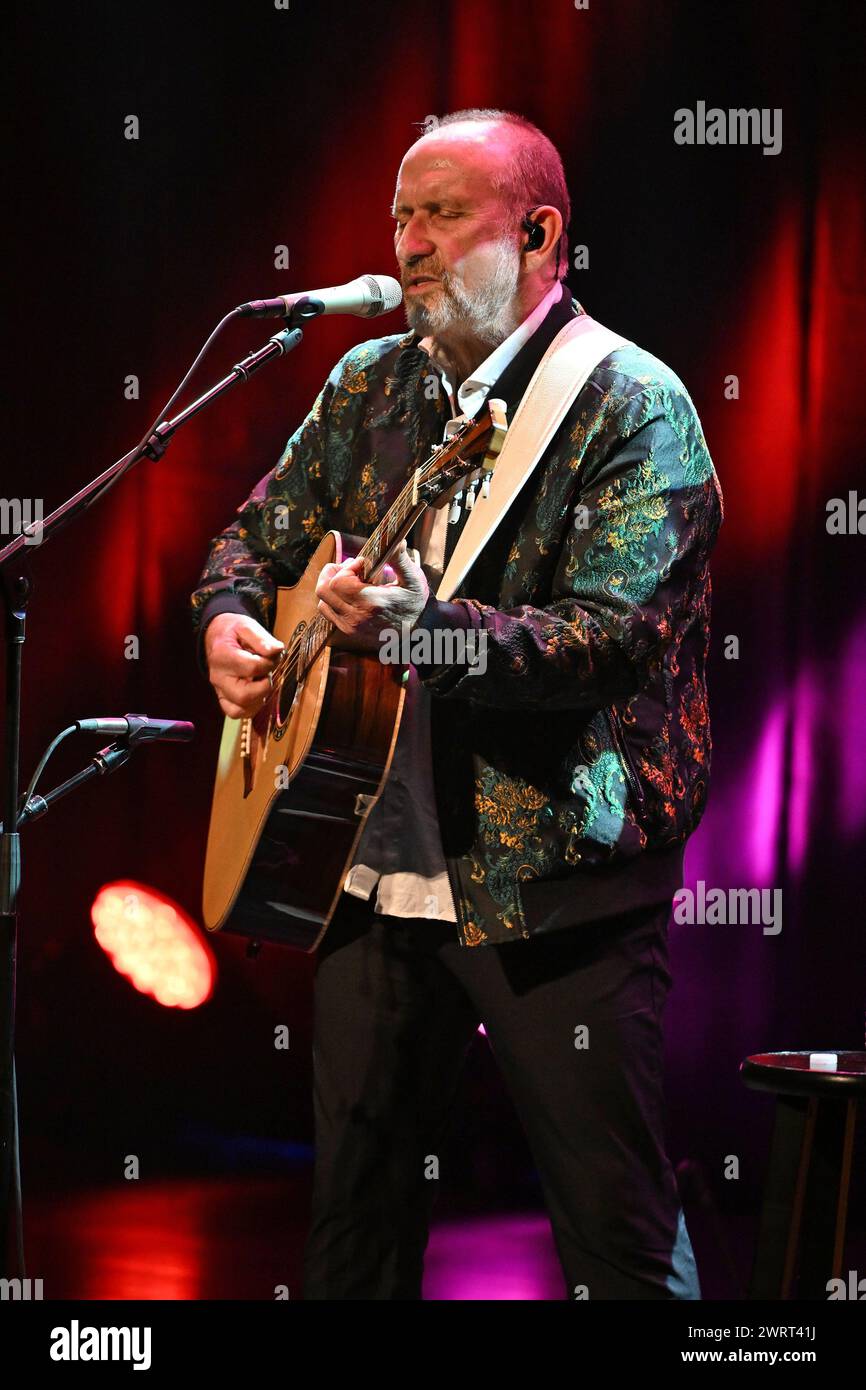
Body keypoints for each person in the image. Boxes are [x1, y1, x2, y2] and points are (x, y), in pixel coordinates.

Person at [190, 108, 723, 1300]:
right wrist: (228, 621)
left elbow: (611, 640)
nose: (409, 241)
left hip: (551, 880)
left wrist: (421, 634)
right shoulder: (367, 383)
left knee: (614, 1234)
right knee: (352, 1231)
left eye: (442, 213)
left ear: (537, 233)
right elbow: (247, 540)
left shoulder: (629, 404)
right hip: (370, 861)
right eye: (399, 213)